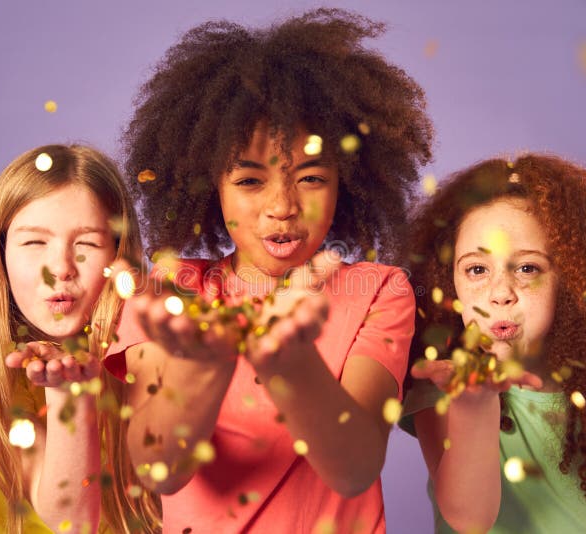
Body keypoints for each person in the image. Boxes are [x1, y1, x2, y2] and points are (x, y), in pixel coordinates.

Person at [110, 8, 433, 532]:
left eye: (309, 177)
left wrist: (288, 363)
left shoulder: (377, 290)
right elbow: (158, 467)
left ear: (346, 182)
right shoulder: (173, 289)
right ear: (209, 187)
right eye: (250, 181)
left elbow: (354, 469)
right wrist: (205, 365)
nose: (282, 206)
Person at [400, 153, 586, 533]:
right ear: (449, 284)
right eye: (477, 270)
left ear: (573, 281)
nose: (500, 294)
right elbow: (467, 517)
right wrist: (474, 406)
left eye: (527, 268)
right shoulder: (444, 385)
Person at [0, 145, 159, 533]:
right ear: (0, 255)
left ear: (118, 257)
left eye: (87, 245)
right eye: (34, 243)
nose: (60, 269)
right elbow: (72, 521)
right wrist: (69, 392)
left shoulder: (145, 364)